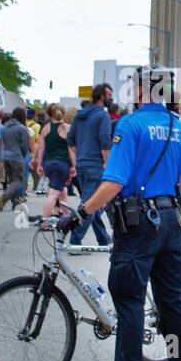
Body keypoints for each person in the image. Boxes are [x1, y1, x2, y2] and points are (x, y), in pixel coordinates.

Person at [57, 66, 181, 361]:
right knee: (171, 302)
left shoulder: (130, 125)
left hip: (139, 223)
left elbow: (114, 181)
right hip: (170, 220)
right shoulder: (178, 125)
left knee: (129, 300)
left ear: (143, 90)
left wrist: (82, 212)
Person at [67, 84, 114, 250]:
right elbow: (105, 141)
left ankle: (102, 238)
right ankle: (74, 240)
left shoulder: (80, 115)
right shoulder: (102, 115)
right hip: (95, 163)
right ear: (101, 95)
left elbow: (70, 139)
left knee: (93, 201)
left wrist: (80, 154)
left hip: (81, 163)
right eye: (109, 94)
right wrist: (108, 163)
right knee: (90, 203)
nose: (111, 97)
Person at [33, 104, 73, 224]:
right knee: (53, 193)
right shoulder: (68, 128)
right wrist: (74, 165)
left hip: (48, 163)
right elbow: (71, 150)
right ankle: (45, 220)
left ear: (49, 114)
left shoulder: (45, 128)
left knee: (62, 190)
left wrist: (39, 165)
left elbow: (41, 148)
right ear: (63, 113)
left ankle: (69, 217)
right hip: (62, 163)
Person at [0, 107, 32, 211]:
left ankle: (15, 202)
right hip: (17, 157)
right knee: (18, 180)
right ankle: (4, 198)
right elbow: (25, 145)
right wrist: (22, 155)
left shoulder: (4, 127)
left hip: (6, 156)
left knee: (12, 181)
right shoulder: (22, 128)